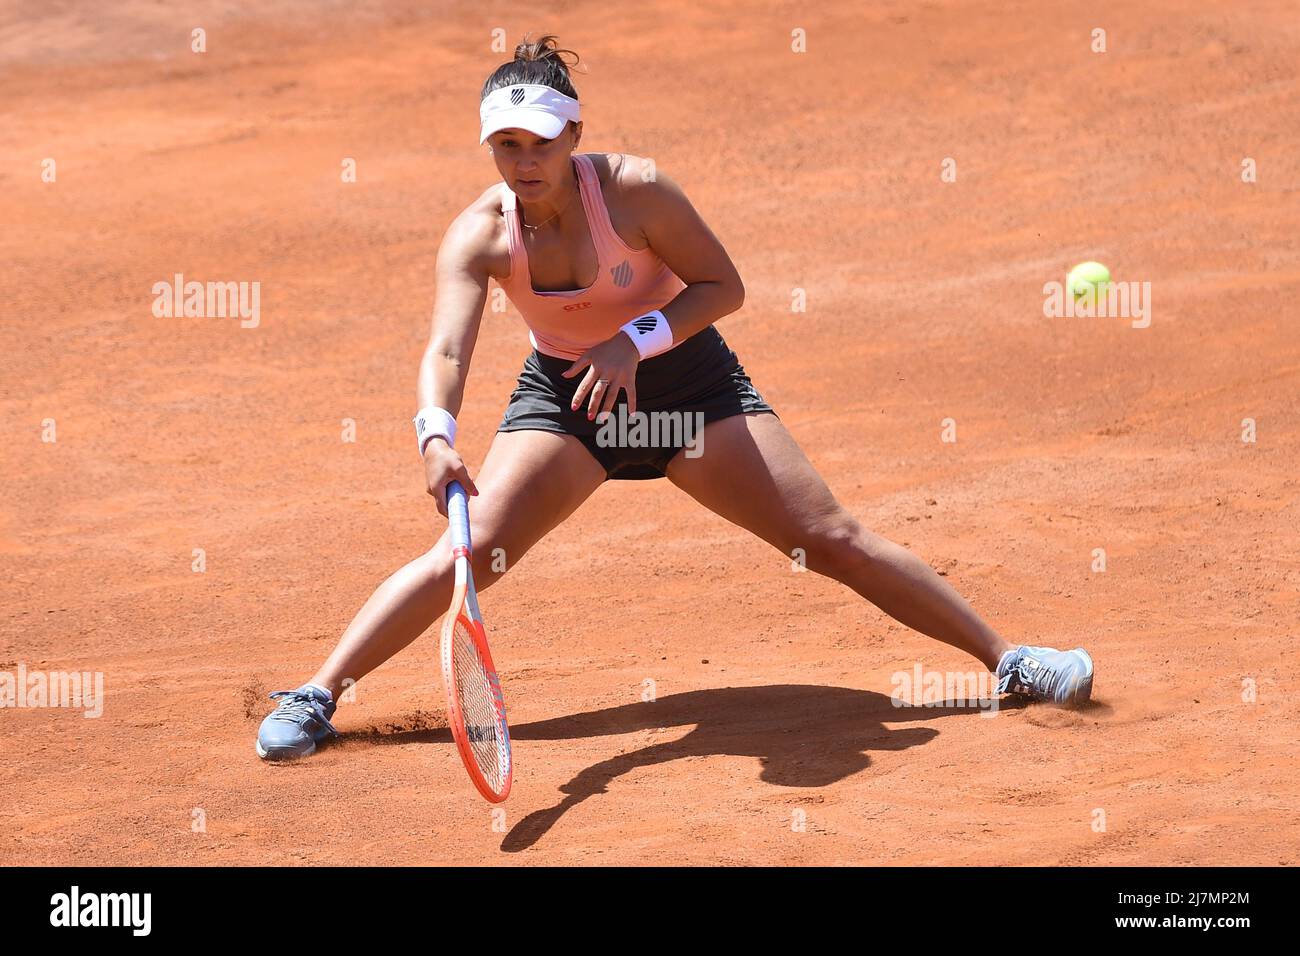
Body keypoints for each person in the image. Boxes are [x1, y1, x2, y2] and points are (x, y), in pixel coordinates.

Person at [256, 34, 1093, 761]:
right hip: (570, 402)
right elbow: (447, 347)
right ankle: (318, 696)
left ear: (575, 132)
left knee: (829, 538)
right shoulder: (480, 235)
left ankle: (1010, 659)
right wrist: (435, 436)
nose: (526, 161)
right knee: (466, 559)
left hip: (688, 386)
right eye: (506, 145)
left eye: (541, 141)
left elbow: (722, 286)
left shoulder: (638, 192)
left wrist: (633, 340)